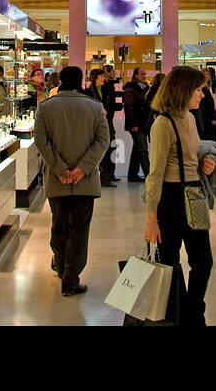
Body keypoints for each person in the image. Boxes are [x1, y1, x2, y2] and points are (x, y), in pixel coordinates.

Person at [145, 66, 216, 326]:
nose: (203, 95)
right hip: (171, 199)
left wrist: (204, 163)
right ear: (184, 90)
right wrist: (151, 217)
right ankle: (179, 316)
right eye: (198, 89)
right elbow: (155, 174)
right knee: (169, 264)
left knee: (203, 261)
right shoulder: (163, 125)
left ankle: (192, 313)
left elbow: (190, 156)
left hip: (194, 193)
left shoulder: (189, 118)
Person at [34, 66, 111, 296]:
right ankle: (71, 278)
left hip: (57, 182)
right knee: (79, 230)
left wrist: (59, 169)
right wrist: (82, 170)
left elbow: (40, 140)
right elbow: (102, 141)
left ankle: (60, 264)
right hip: (85, 183)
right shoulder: (95, 107)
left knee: (58, 224)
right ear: (80, 81)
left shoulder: (46, 107)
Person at [88, 68, 118, 186]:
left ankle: (108, 176)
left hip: (107, 123)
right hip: (95, 125)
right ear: (95, 78)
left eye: (103, 76)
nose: (103, 78)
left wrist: (108, 113)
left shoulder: (108, 89)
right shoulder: (88, 92)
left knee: (110, 148)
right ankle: (101, 177)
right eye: (101, 77)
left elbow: (112, 106)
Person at [123, 68, 152, 181]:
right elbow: (129, 108)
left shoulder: (144, 88)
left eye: (145, 74)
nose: (144, 76)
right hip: (137, 124)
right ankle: (149, 176)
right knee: (142, 149)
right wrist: (134, 124)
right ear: (135, 75)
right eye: (141, 74)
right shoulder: (130, 90)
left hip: (143, 123)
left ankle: (132, 174)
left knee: (137, 149)